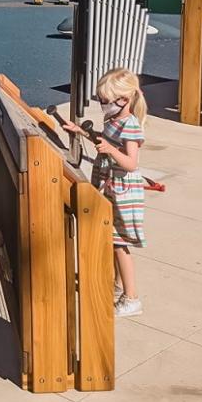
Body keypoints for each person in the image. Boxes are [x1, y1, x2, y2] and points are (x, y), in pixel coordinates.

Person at [61, 67, 148, 318]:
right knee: (113, 240)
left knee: (120, 244)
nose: (103, 106)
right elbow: (105, 142)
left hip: (124, 191)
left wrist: (110, 150)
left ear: (125, 99)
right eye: (101, 101)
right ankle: (117, 285)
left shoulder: (130, 125)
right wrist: (82, 132)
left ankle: (132, 298)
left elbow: (131, 163)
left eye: (107, 102)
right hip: (110, 185)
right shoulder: (114, 120)